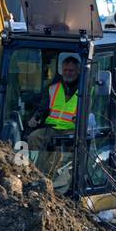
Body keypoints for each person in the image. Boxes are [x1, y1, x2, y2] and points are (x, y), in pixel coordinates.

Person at [25, 54, 82, 184]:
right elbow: (43, 107)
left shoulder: (86, 89)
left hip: (71, 131)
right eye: (65, 70)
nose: (68, 73)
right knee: (33, 137)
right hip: (51, 128)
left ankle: (46, 179)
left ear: (78, 71)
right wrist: (36, 118)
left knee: (55, 154)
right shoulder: (54, 88)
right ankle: (32, 170)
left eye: (71, 70)